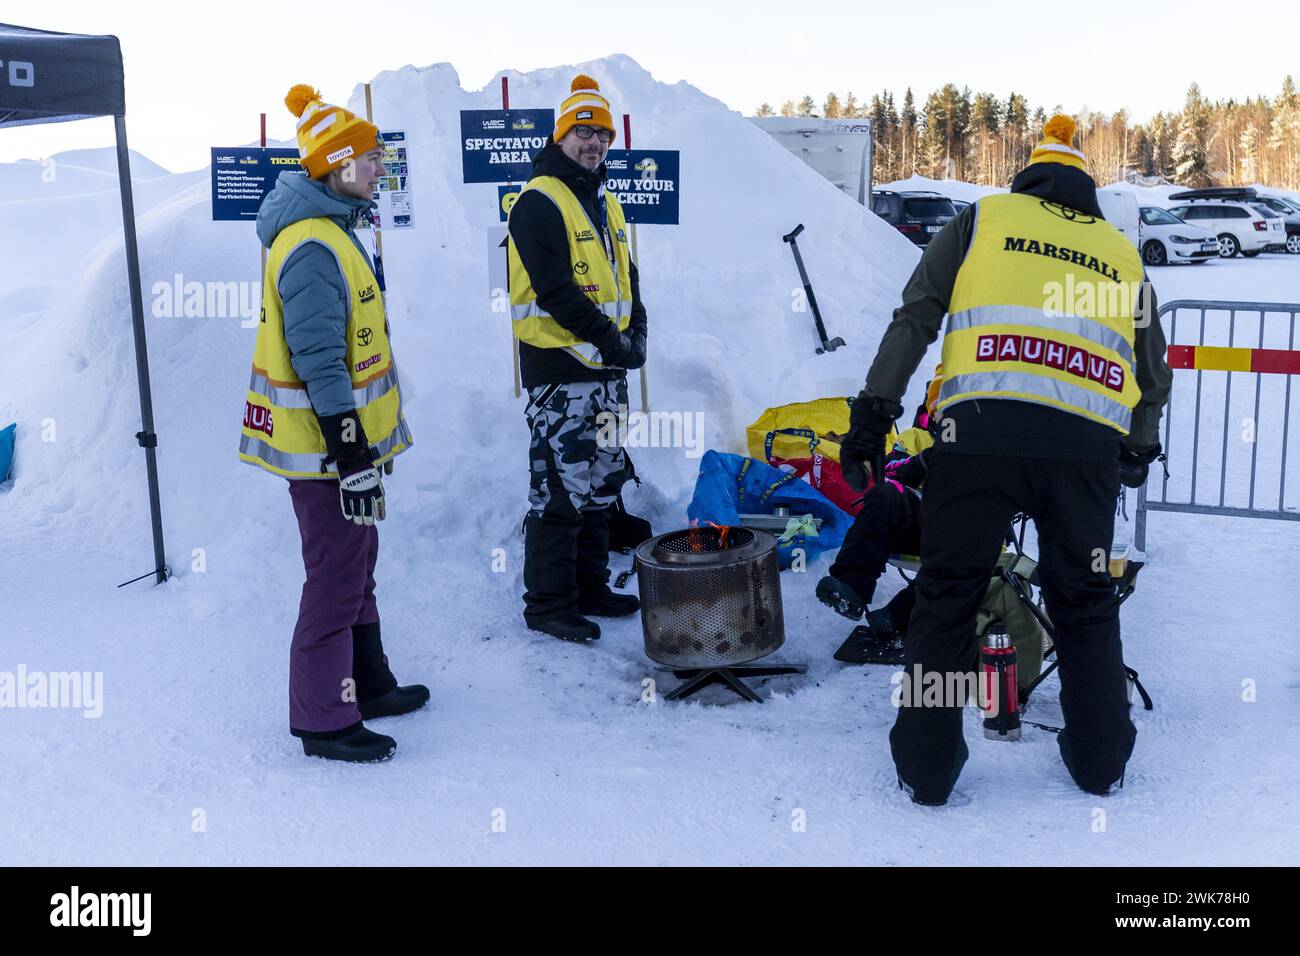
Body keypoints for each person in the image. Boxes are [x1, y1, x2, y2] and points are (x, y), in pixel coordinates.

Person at [839, 115, 1172, 805]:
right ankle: (1099, 762)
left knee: (949, 591)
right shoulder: (1120, 252)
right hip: (1083, 452)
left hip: (976, 442)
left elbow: (915, 317)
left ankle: (928, 768)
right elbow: (1153, 370)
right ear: (1087, 187)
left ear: (1028, 174)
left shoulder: (981, 221)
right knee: (1084, 600)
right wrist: (1138, 446)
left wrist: (873, 415)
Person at [239, 85, 428, 763]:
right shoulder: (314, 245)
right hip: (326, 449)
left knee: (358, 561)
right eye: (370, 159)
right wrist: (350, 452)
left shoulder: (334, 231)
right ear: (337, 165)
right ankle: (323, 718)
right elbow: (318, 358)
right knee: (336, 574)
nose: (380, 168)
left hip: (346, 447)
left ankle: (367, 683)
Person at [507, 74, 648, 643]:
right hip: (562, 372)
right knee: (559, 491)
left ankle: (589, 586)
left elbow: (626, 275)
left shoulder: (603, 197)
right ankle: (547, 605)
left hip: (606, 373)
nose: (595, 144)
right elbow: (554, 291)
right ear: (561, 135)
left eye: (604, 136)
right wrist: (613, 342)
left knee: (602, 484)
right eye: (584, 132)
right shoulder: (538, 200)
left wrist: (639, 327)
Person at [818, 372, 943, 663]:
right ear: (931, 410)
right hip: (914, 520)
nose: (944, 411)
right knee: (886, 494)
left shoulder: (981, 447)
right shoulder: (916, 438)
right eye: (939, 404)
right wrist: (925, 460)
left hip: (961, 529)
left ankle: (894, 618)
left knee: (969, 547)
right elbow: (887, 470)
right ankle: (851, 585)